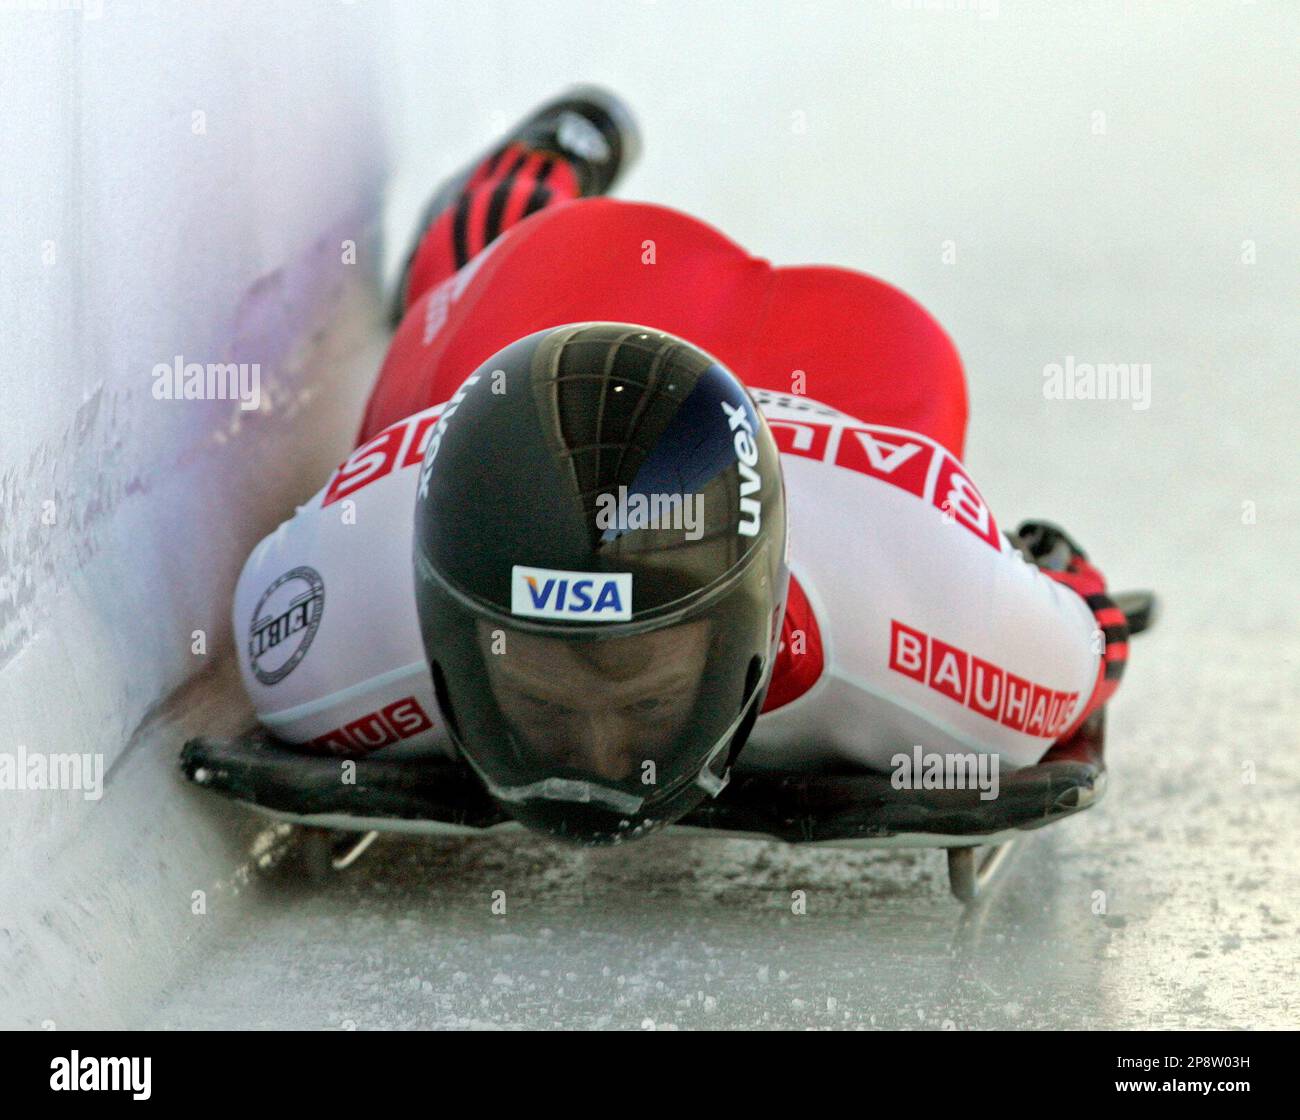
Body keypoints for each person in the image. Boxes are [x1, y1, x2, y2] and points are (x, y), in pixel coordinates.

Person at [233, 88, 1128, 844]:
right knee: (450, 340)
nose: (597, 755)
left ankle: (538, 174)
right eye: (537, 700)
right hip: (560, 316)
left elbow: (1080, 646)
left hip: (851, 362)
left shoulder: (924, 610)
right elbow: (1093, 633)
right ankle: (523, 192)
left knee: (463, 320)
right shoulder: (333, 614)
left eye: (646, 694)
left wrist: (1031, 572)